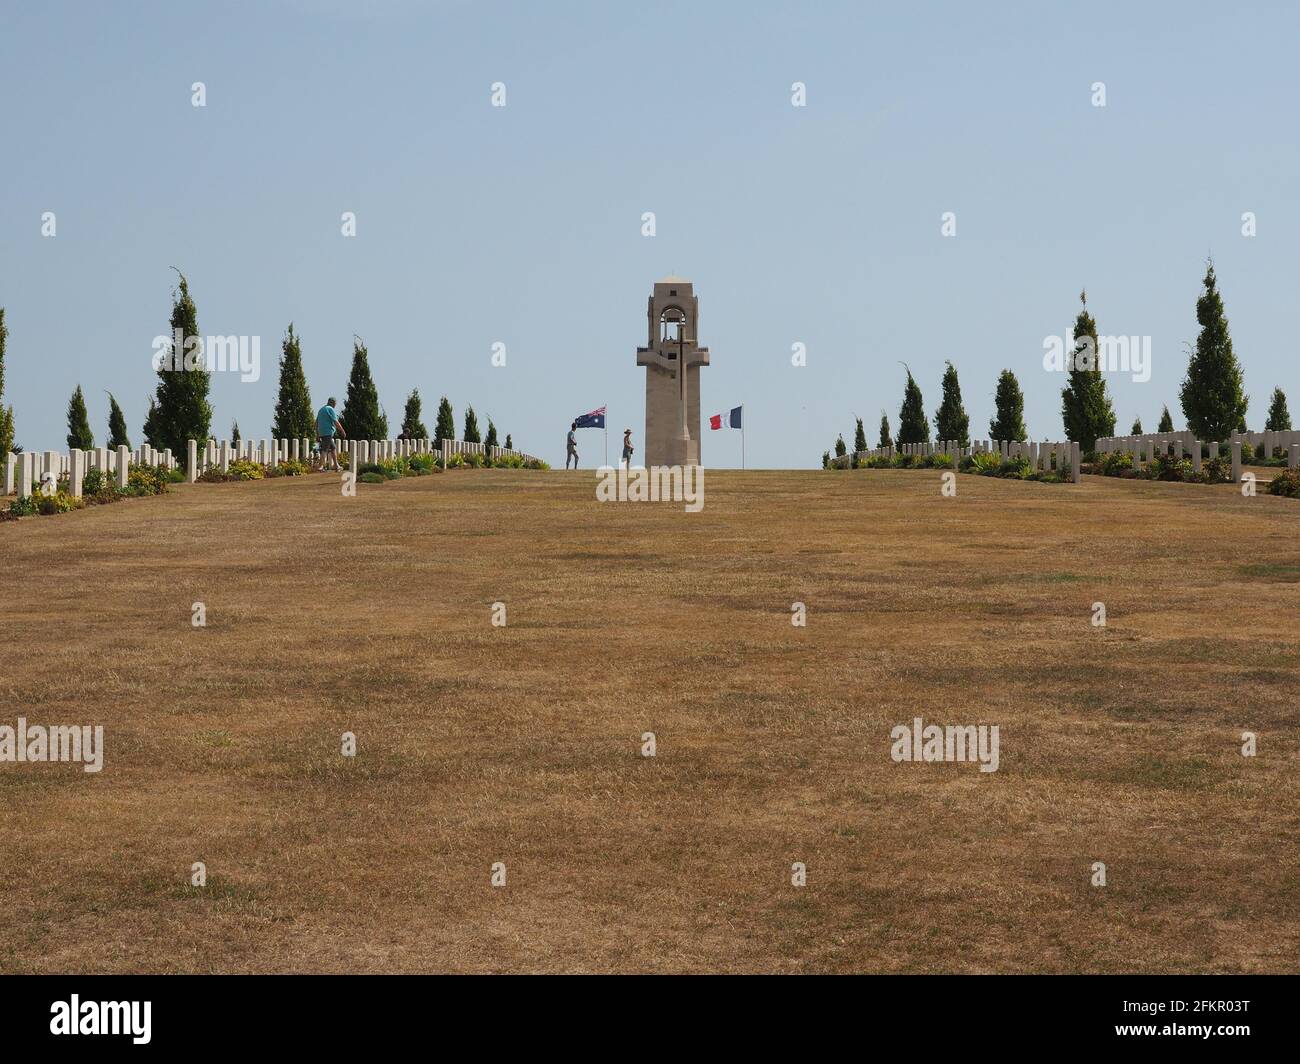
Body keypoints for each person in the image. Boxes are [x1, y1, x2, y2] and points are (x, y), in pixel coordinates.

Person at [316, 397, 347, 471]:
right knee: (325, 449)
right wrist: (342, 430)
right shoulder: (330, 409)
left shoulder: (321, 410)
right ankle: (321, 466)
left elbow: (316, 423)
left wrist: (317, 434)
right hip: (328, 432)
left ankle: (336, 465)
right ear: (333, 403)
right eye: (335, 404)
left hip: (322, 432)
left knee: (333, 448)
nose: (335, 405)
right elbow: (336, 422)